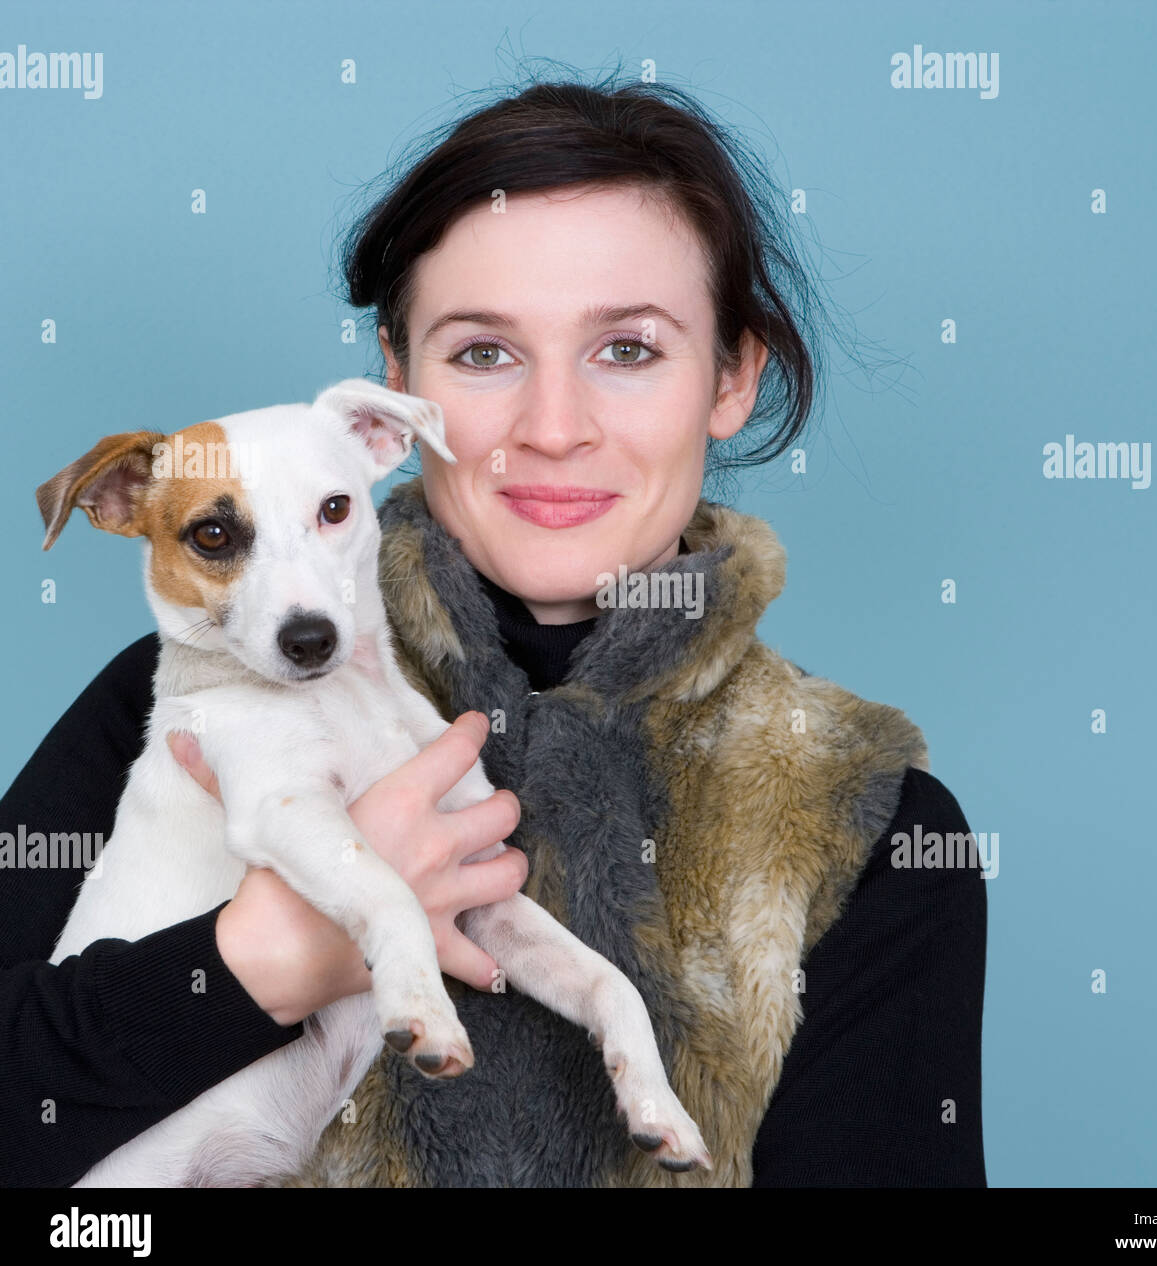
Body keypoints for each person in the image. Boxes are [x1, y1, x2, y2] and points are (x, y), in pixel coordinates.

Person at [0, 74, 987, 1188]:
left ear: (730, 377)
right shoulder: (176, 700)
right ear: (395, 381)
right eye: (482, 352)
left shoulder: (861, 820)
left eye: (627, 349)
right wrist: (254, 961)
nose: (552, 428)